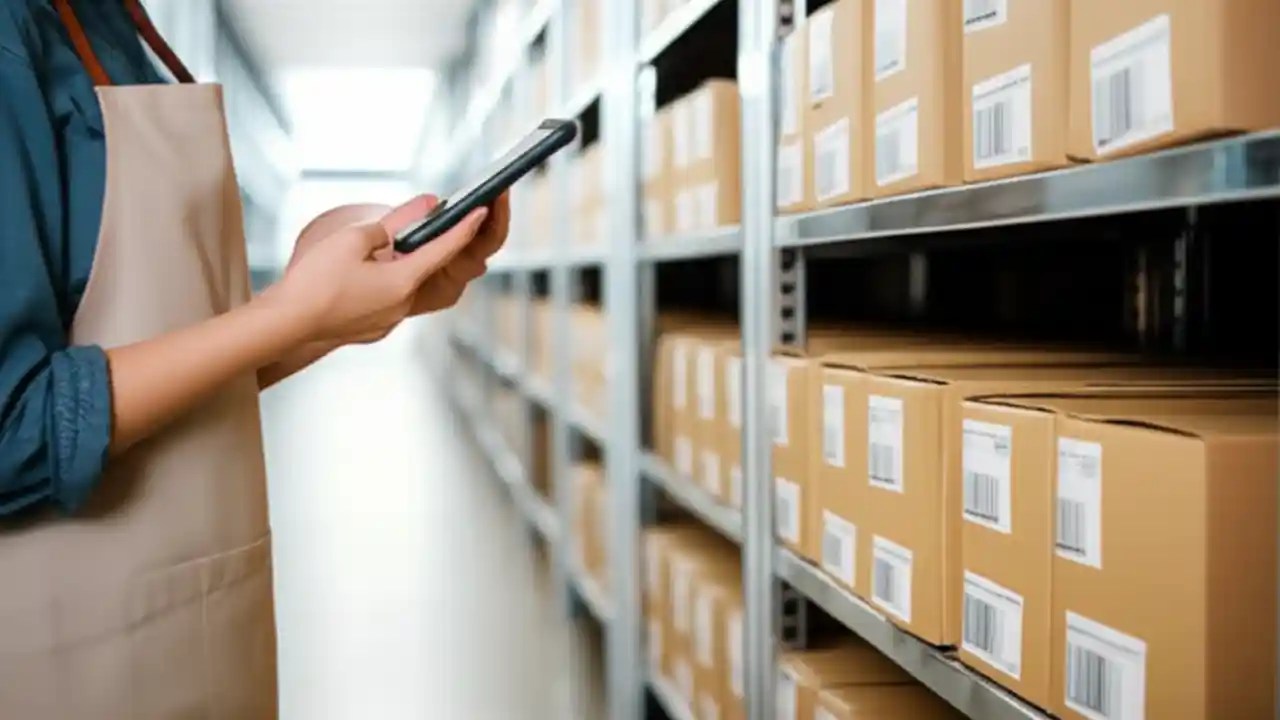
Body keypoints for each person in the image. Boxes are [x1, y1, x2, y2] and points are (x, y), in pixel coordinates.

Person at [0, 1, 507, 716]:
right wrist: (290, 312)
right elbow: (11, 427)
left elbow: (173, 355)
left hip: (197, 628)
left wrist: (333, 315)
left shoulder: (118, 26)